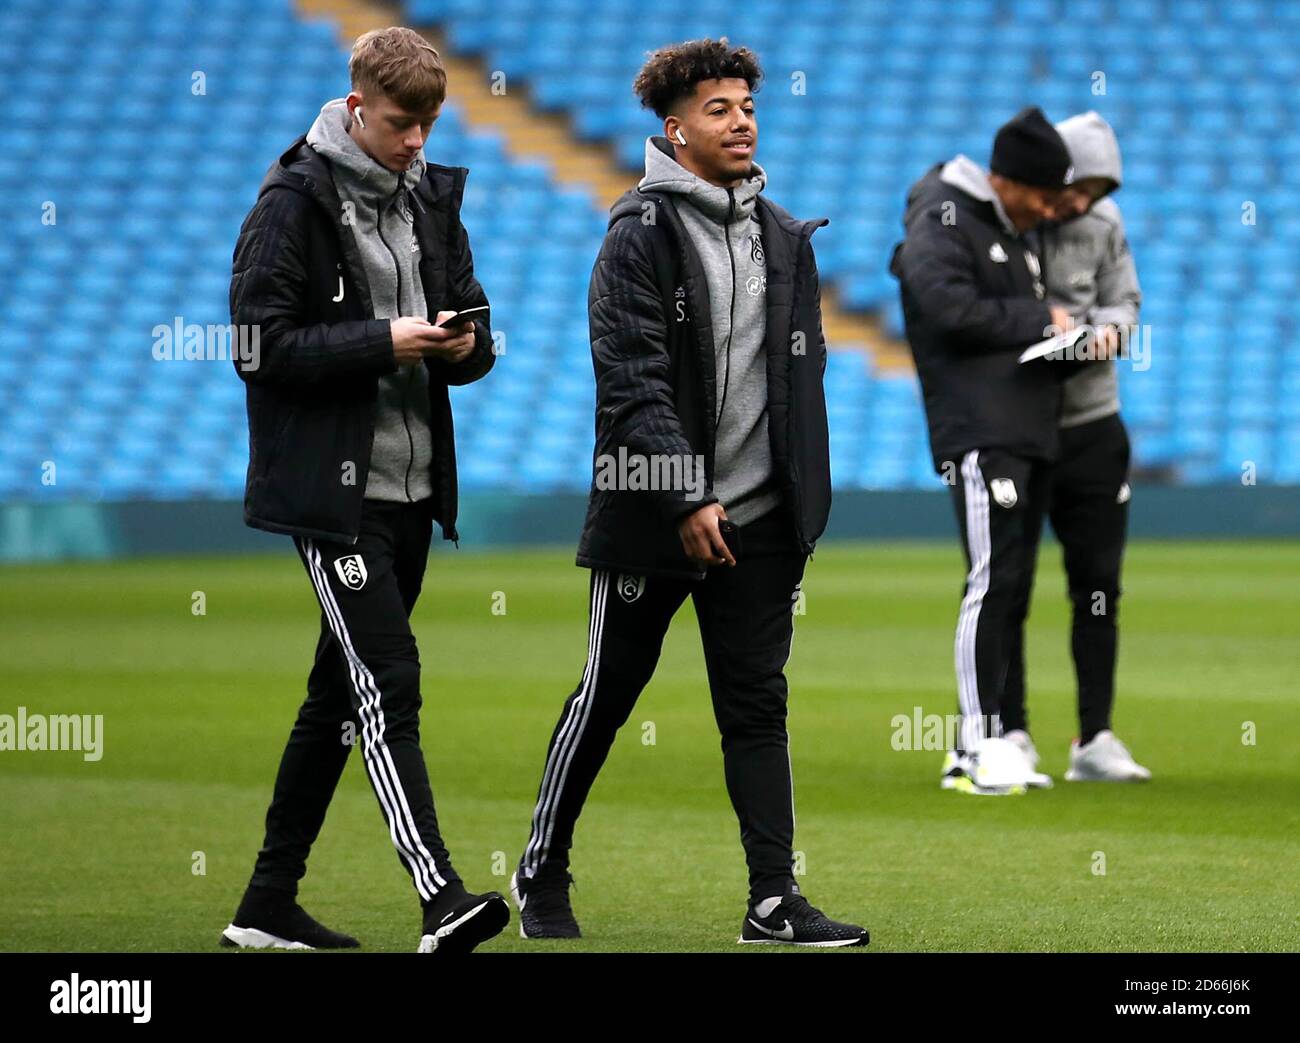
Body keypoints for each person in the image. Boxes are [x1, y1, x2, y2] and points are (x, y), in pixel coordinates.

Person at [510, 38, 868, 947]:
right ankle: (540, 868)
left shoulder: (785, 236)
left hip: (760, 525)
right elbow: (630, 380)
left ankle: (772, 899)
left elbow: (802, 376)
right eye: (719, 108)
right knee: (607, 694)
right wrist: (685, 494)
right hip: (653, 516)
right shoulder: (636, 235)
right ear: (673, 129)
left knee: (757, 704)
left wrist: (795, 503)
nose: (742, 119)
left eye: (747, 105)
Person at [223, 26, 507, 953]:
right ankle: (443, 898)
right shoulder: (291, 202)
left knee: (338, 698)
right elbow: (258, 349)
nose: (417, 141)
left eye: (429, 123)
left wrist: (469, 346)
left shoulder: (429, 197)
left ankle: (265, 905)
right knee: (390, 682)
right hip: (333, 497)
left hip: (413, 490)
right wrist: (388, 340)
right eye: (400, 123)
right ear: (355, 108)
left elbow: (469, 319)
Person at [890, 107, 1081, 796]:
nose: (1049, 208)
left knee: (1013, 586)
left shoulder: (1005, 223)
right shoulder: (943, 215)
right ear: (1005, 178)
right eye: (1043, 193)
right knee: (991, 583)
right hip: (979, 430)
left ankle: (1003, 732)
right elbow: (942, 305)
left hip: (1023, 427)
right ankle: (970, 747)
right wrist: (1041, 320)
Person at [1000, 111, 1151, 783]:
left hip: (1094, 426)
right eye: (1077, 185)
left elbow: (1126, 305)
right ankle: (1011, 732)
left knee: (1098, 587)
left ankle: (1095, 737)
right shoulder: (1005, 223)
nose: (1082, 200)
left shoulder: (1105, 227)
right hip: (1018, 429)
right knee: (1008, 585)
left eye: (1096, 190)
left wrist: (1105, 334)